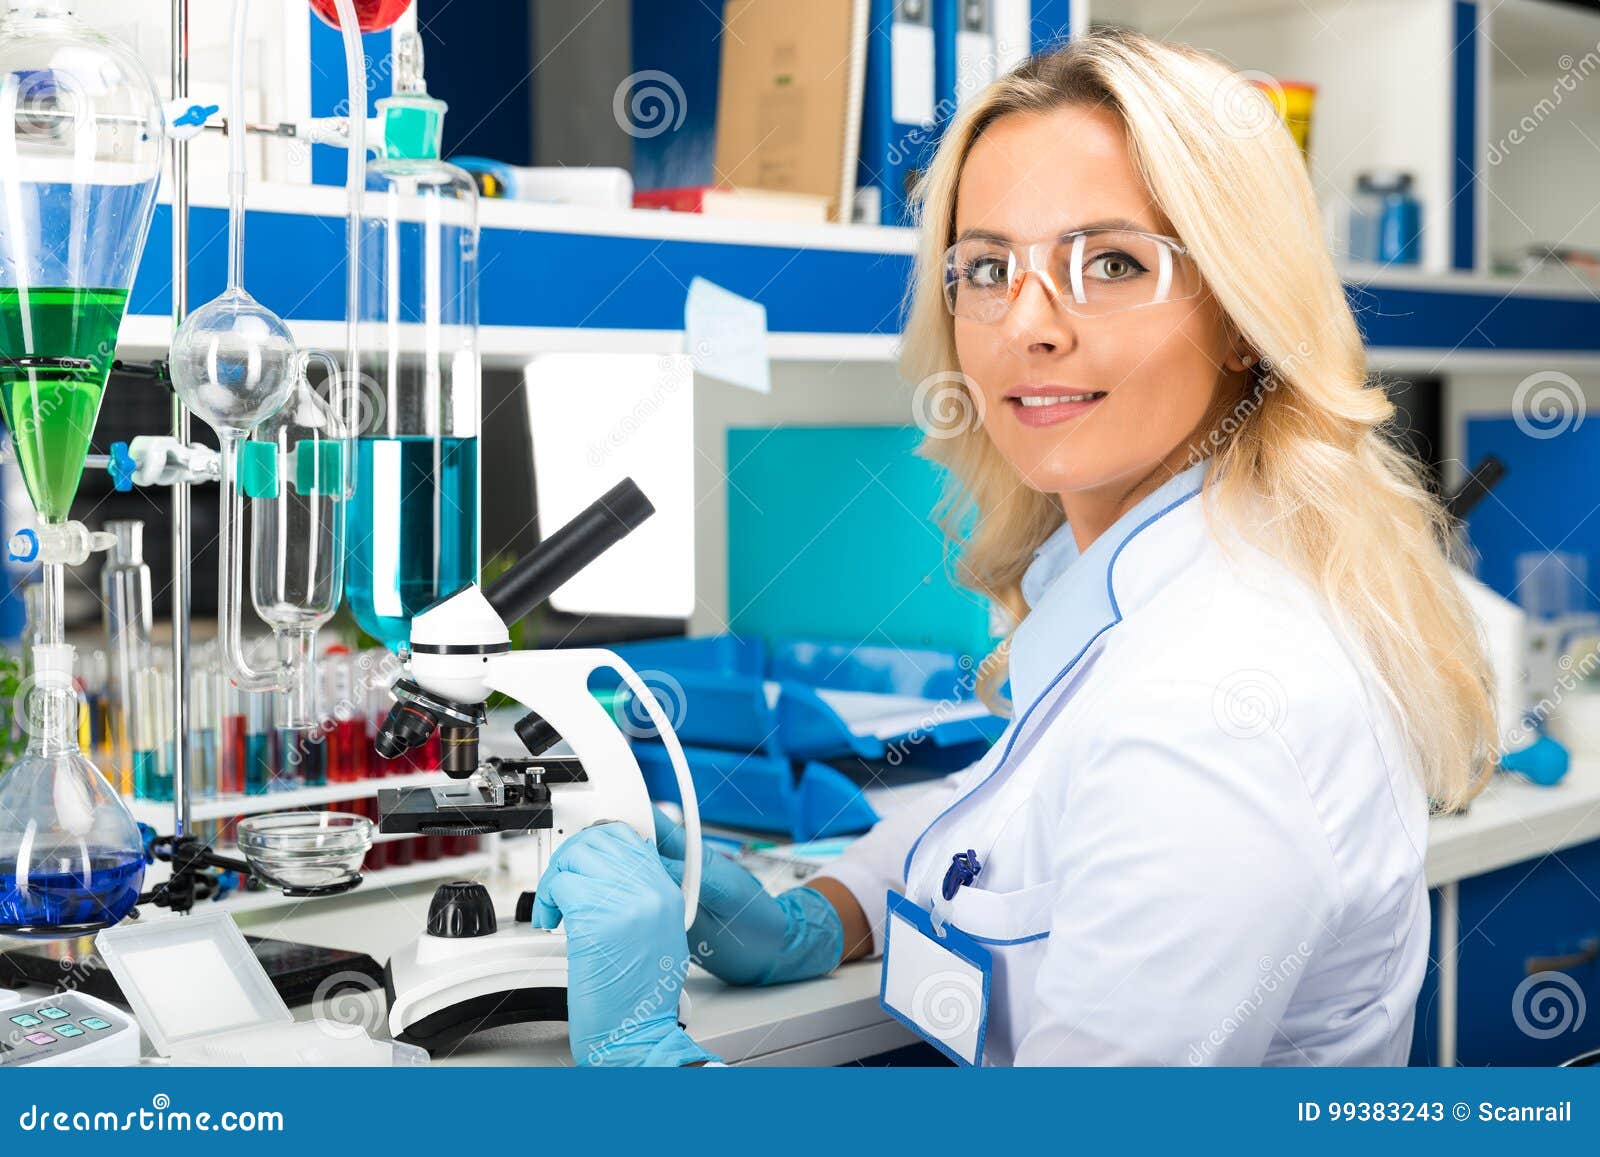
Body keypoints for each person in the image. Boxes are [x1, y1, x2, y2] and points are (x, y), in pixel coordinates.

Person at [529, 27, 1497, 1067]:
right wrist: (825, 911)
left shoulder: (1218, 706)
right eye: (986, 266)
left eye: (1110, 261)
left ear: (1240, 316)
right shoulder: (1132, 578)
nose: (1025, 324)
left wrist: (646, 1068)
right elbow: (1013, 803)